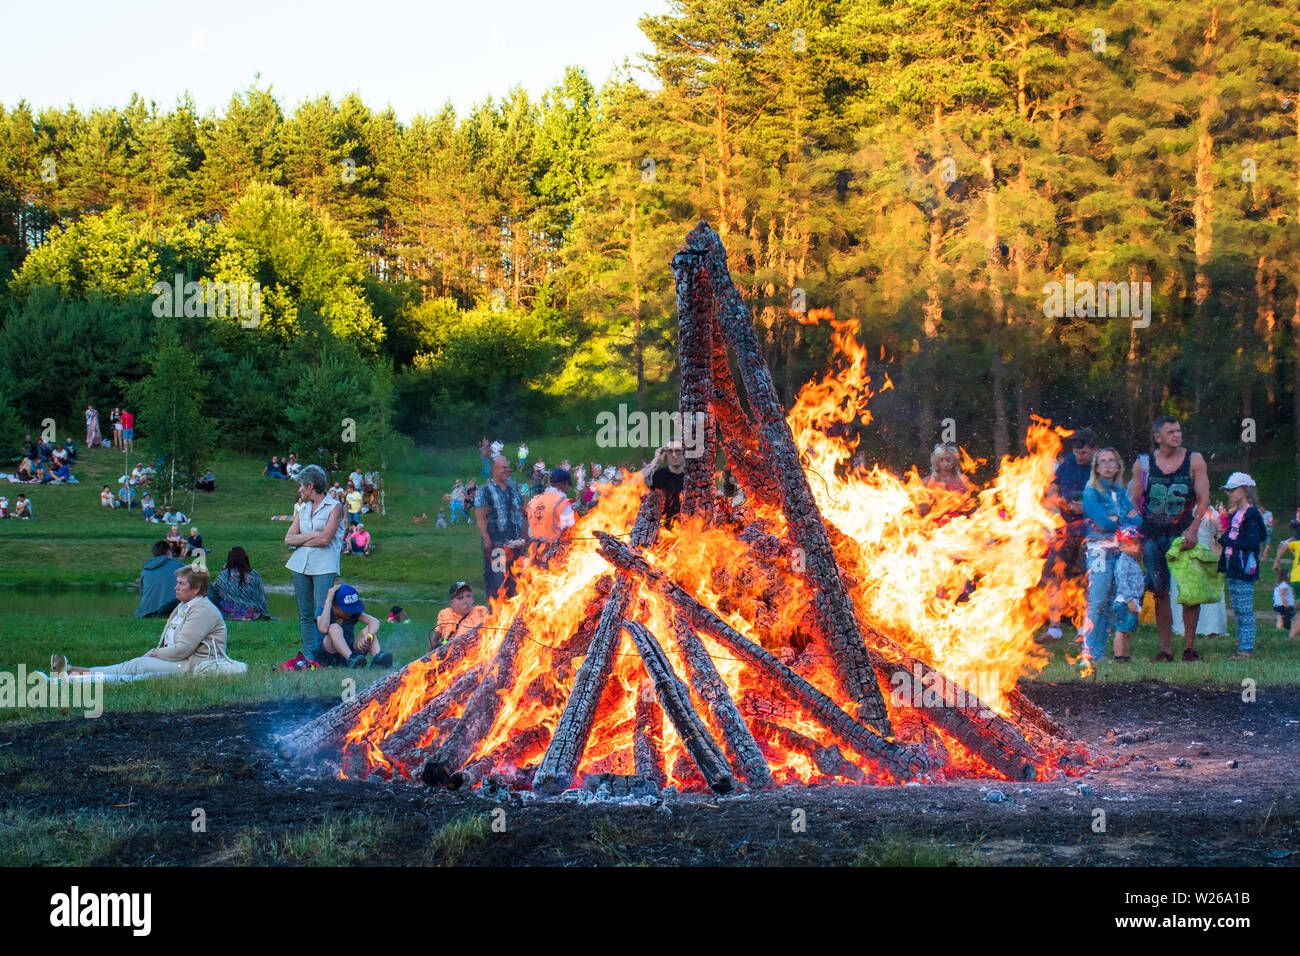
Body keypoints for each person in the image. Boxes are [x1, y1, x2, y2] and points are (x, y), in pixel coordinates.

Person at [53, 566, 239, 680]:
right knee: (136, 665)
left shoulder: (203, 609)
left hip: (195, 665)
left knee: (137, 666)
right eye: (177, 582)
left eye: (181, 583)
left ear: (197, 588)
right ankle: (77, 672)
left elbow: (183, 650)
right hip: (183, 660)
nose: (176, 587)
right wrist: (155, 654)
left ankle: (76, 673)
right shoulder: (185, 606)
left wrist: (155, 653)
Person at [1127, 415, 1210, 662]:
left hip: (1182, 535)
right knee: (1160, 592)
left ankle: (1189, 647)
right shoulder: (1144, 464)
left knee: (1189, 591)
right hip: (1152, 535)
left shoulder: (1194, 460)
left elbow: (1204, 499)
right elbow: (1133, 503)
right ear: (1158, 437)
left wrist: (1194, 529)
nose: (1177, 435)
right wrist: (1137, 536)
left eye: (1179, 431)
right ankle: (1165, 650)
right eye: (1171, 432)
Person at [1078, 447, 1139, 668]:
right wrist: (1124, 520)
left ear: (1118, 465)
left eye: (1112, 461)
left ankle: (1100, 653)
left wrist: (1119, 519)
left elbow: (1138, 520)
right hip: (1099, 551)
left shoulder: (1120, 492)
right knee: (1097, 601)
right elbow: (1103, 522)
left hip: (1119, 551)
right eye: (1102, 462)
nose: (1107, 465)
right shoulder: (1091, 492)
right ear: (1096, 467)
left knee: (1112, 602)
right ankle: (1089, 652)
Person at [285, 464, 345, 661]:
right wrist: (312, 535)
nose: (299, 490)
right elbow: (288, 539)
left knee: (322, 612)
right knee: (305, 612)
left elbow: (326, 539)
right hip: (300, 564)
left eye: (301, 486)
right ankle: (310, 656)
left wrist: (303, 539)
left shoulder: (335, 507)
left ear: (311, 486)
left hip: (324, 565)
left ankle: (323, 655)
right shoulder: (304, 508)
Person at [1042, 428, 1097, 640]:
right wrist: (1060, 501)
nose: (1079, 456)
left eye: (1084, 452)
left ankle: (1084, 629)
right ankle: (1054, 629)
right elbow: (1054, 488)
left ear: (1094, 449)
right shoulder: (1067, 463)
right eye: (1076, 451)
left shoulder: (1101, 466)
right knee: (1051, 574)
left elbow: (1111, 499)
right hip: (1065, 531)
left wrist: (1086, 508)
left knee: (1085, 579)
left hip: (1090, 532)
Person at [1216, 473, 1266, 660]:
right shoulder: (1237, 514)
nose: (1230, 493)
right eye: (1228, 490)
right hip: (1234, 567)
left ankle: (1246, 649)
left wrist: (1226, 540)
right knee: (1237, 609)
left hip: (1245, 568)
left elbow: (1252, 542)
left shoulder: (1251, 514)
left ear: (1245, 490)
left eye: (1233, 489)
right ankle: (1242, 646)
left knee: (1244, 609)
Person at [475, 455, 528, 601]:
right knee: (497, 583)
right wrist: (487, 540)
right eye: (504, 467)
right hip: (497, 545)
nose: (508, 470)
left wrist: (524, 536)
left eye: (508, 467)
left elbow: (524, 512)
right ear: (494, 469)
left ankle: (512, 619)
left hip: (516, 544)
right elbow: (481, 517)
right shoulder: (484, 490)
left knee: (515, 582)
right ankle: (495, 616)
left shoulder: (514, 490)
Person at [315, 583, 391, 668]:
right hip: (328, 655)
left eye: (352, 608)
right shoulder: (324, 611)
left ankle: (377, 659)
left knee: (369, 630)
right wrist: (328, 600)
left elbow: (374, 621)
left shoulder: (353, 613)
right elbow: (323, 629)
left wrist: (369, 635)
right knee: (334, 628)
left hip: (350, 650)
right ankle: (351, 659)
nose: (351, 612)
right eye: (347, 609)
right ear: (334, 606)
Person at [1112, 527, 1145, 663]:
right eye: (1130, 543)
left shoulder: (1132, 561)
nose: (1135, 546)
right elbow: (1122, 582)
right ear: (1120, 545)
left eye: (1136, 543)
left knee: (1128, 630)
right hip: (1125, 601)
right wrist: (1130, 600)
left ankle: (1126, 656)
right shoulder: (1123, 562)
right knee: (1122, 629)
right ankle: (1119, 656)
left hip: (1133, 600)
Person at [209, 546, 269, 620]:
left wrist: (225, 570)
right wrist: (263, 611)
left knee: (208, 587)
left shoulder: (223, 575)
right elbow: (260, 596)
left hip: (227, 613)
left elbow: (214, 593)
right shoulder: (254, 574)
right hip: (251, 614)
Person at [528, 467, 576, 559]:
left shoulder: (536, 499)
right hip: (552, 550)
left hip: (533, 548)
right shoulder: (562, 502)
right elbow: (568, 527)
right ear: (563, 484)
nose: (568, 488)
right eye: (568, 485)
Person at [430, 581, 489, 651]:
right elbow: (434, 641)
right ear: (452, 602)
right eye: (460, 598)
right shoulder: (445, 615)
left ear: (473, 599)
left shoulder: (481, 612)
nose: (466, 601)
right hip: (455, 658)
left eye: (468, 596)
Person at [641, 442, 687, 526]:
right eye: (670, 451)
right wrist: (656, 460)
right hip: (663, 531)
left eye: (677, 451)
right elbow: (639, 481)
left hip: (687, 530)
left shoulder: (691, 477)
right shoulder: (659, 475)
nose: (674, 455)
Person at [135, 541, 185, 617]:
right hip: (171, 611)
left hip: (146, 612)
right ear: (168, 552)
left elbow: (142, 594)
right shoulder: (178, 565)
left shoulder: (145, 570)